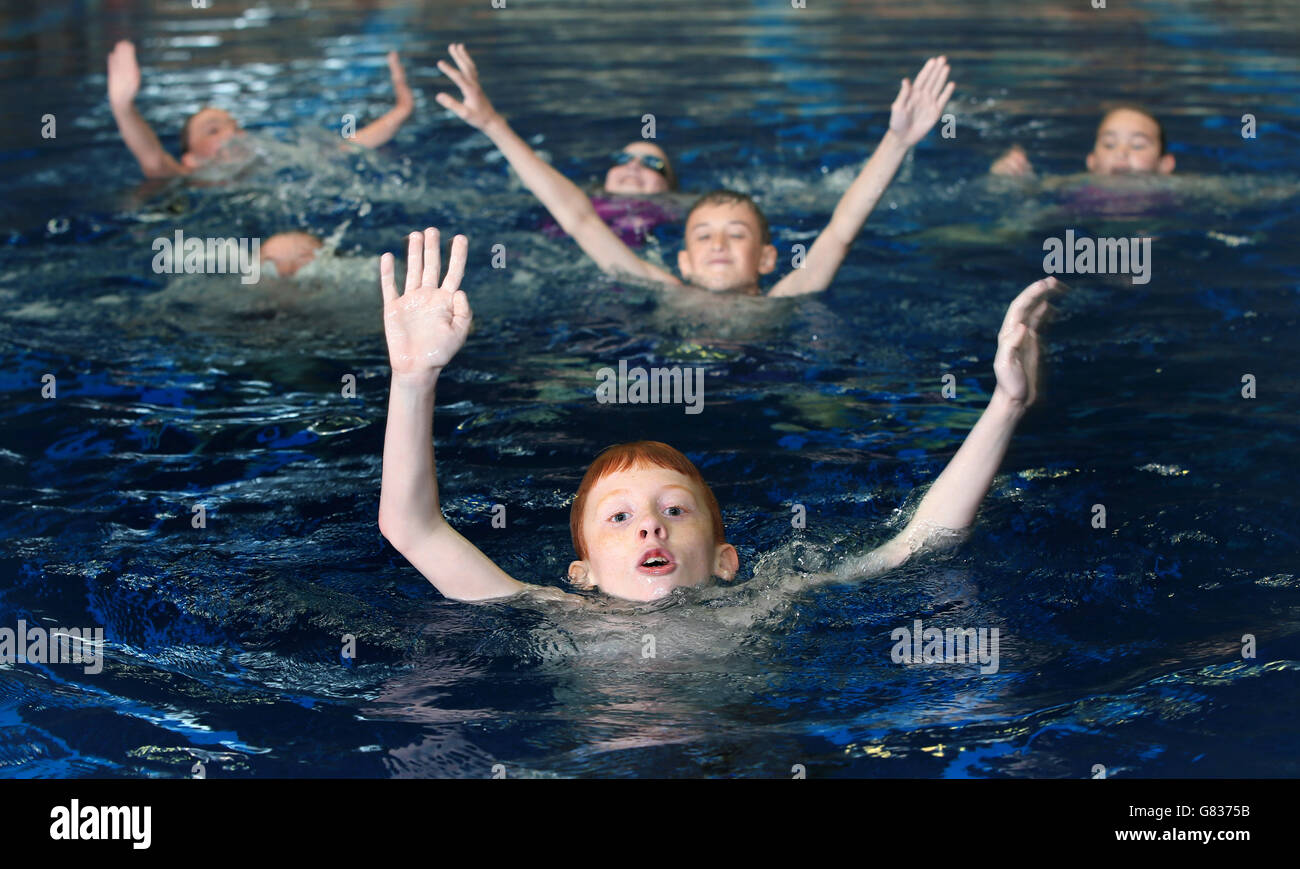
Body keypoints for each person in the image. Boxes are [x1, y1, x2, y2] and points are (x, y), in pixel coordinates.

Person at [376, 226, 1065, 604]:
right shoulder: (555, 613)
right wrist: (412, 380)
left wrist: (1006, 405)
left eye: (676, 510)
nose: (650, 522)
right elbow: (412, 529)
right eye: (619, 517)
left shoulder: (762, 602)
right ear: (580, 573)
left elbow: (919, 541)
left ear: (727, 559)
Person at [436, 44, 955, 295]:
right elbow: (580, 220)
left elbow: (842, 229)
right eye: (704, 235)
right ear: (682, 259)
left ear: (769, 257)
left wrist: (897, 140)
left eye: (736, 234)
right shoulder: (666, 289)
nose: (718, 245)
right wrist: (493, 123)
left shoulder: (787, 296)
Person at [106, 40, 414, 180]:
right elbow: (155, 163)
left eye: (234, 126)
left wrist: (401, 109)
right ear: (192, 156)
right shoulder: (193, 175)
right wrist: (123, 108)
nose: (232, 134)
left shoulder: (275, 161)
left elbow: (350, 146)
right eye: (213, 130)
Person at [990, 105, 1175, 178]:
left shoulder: (1181, 190)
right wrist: (1009, 179)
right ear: (1091, 161)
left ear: (1165, 164)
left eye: (1138, 145)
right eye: (1109, 144)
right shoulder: (1075, 185)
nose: (1122, 152)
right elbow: (1030, 194)